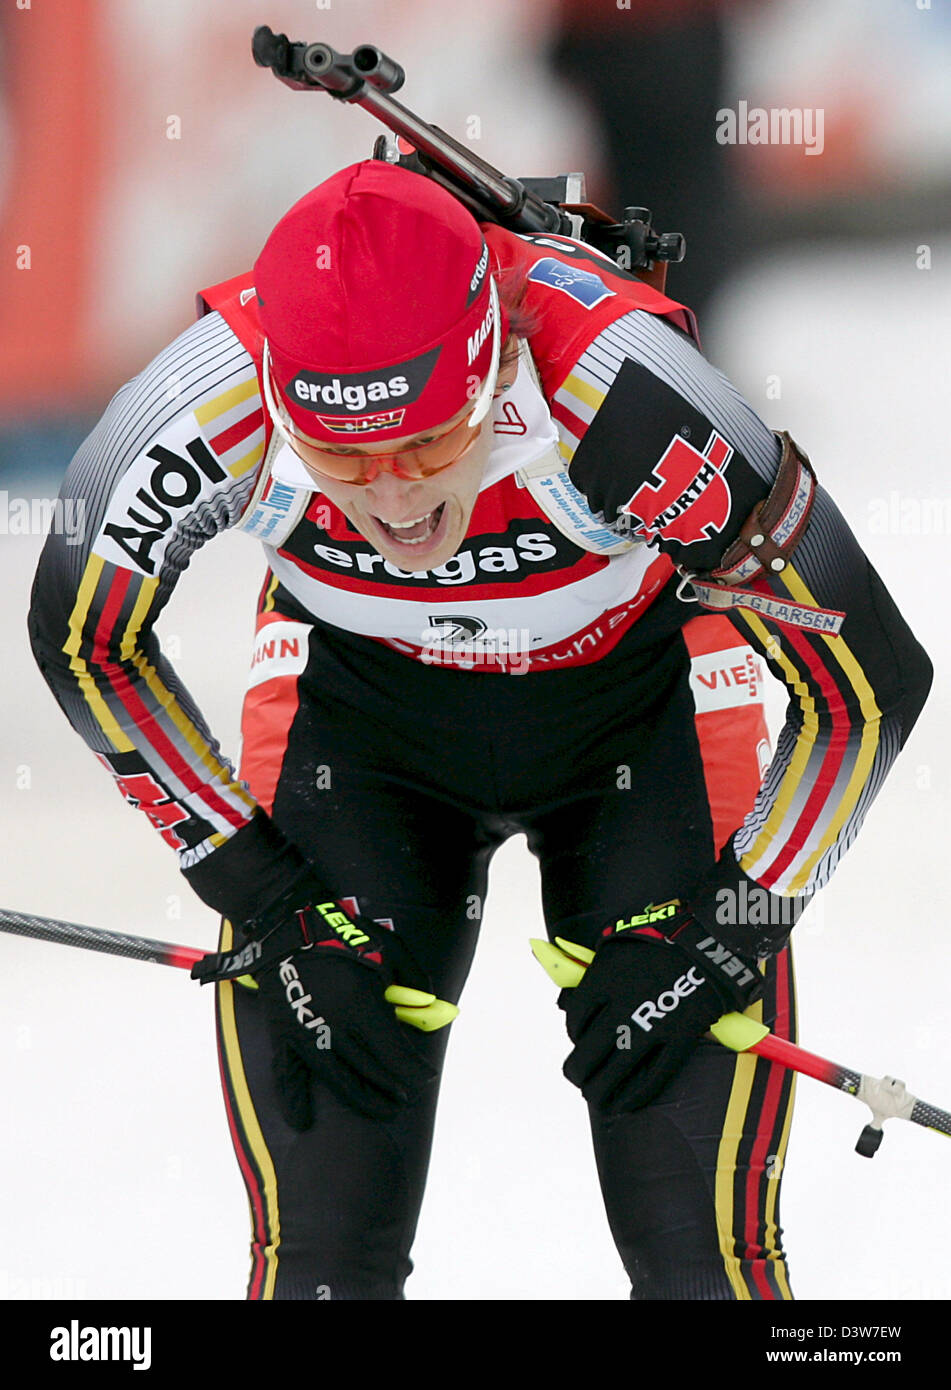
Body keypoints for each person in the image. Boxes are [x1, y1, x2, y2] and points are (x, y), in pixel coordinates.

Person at [28, 158, 931, 1301]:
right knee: (319, 1263)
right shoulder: (201, 404)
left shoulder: (618, 383)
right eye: (343, 458)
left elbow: (866, 680)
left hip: (638, 712)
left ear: (495, 360)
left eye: (432, 443)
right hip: (364, 730)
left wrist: (725, 931)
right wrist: (264, 895)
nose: (396, 502)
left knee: (705, 1262)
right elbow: (84, 640)